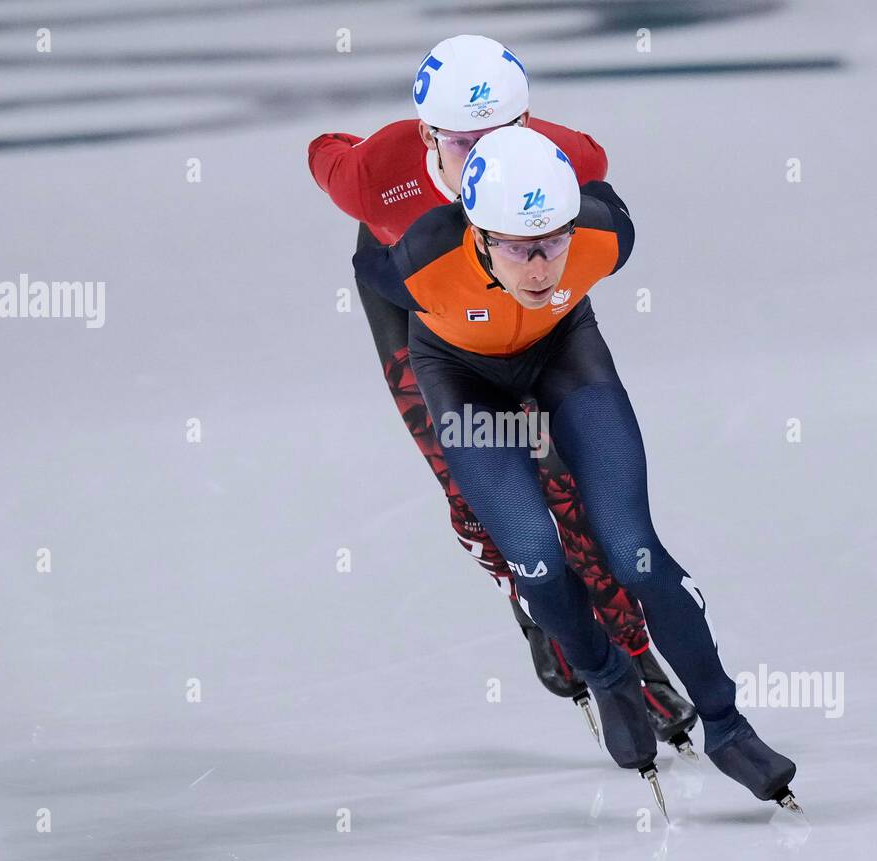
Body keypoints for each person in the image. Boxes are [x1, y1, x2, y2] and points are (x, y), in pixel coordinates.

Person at [352, 126, 802, 813]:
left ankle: (729, 725)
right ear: (473, 234)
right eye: (516, 249)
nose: (539, 269)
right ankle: (605, 673)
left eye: (552, 244)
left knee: (637, 554)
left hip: (564, 355)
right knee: (532, 555)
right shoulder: (418, 260)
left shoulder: (604, 235)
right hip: (461, 375)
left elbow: (589, 163)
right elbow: (347, 201)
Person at [308, 35, 696, 755]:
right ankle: (531, 598)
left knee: (570, 485)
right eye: (464, 143)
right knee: (472, 480)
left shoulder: (568, 161)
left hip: (520, 297)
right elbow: (324, 147)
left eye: (505, 134)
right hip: (417, 301)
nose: (488, 156)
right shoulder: (372, 175)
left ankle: (636, 657)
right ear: (427, 135)